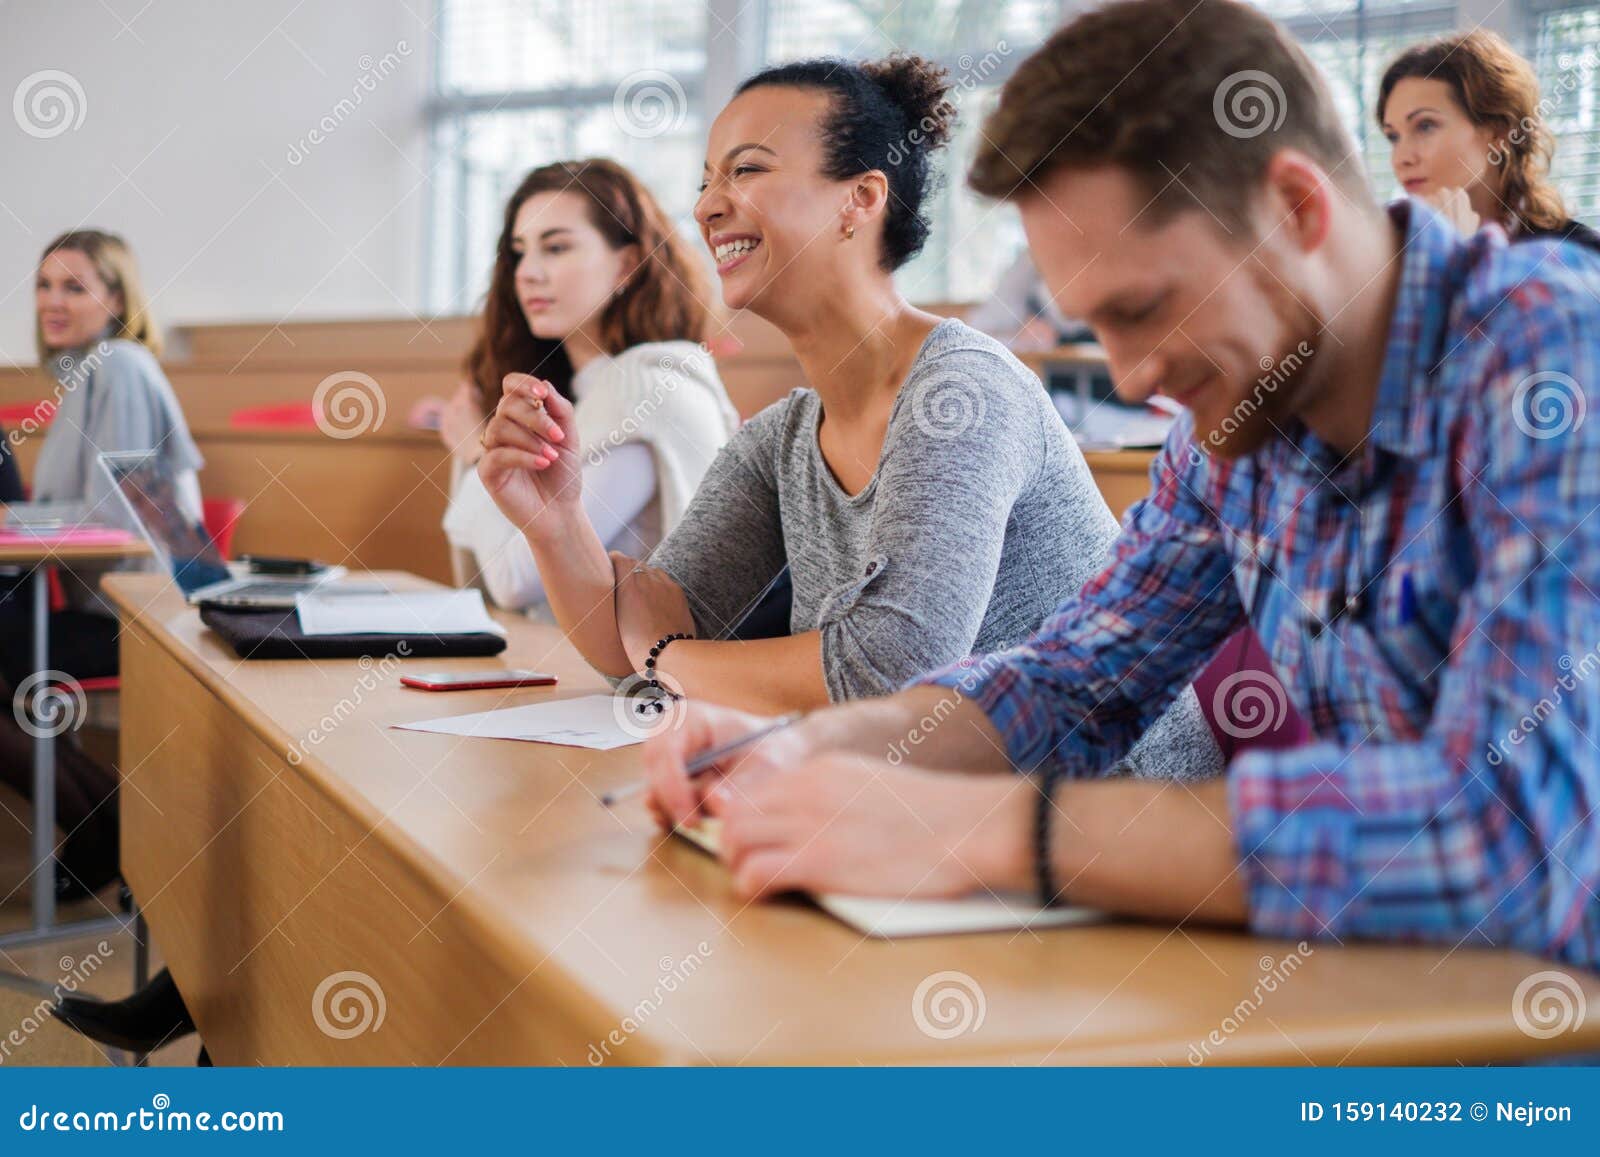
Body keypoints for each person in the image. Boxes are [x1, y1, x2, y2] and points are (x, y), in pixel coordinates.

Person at [639, 0, 1600, 970]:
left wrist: (988, 831)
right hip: (1417, 991)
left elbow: (1518, 835)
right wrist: (820, 747)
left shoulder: (1553, 359)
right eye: (1094, 322)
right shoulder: (1232, 428)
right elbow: (1070, 678)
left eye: (1143, 307)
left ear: (1298, 211)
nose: (1134, 376)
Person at [478, 52, 1220, 777]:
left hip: (1120, 827)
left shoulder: (962, 392)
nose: (706, 205)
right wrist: (558, 523)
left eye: (747, 169)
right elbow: (629, 643)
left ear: (860, 200)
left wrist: (666, 657)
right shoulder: (784, 439)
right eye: (706, 181)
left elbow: (888, 668)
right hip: (944, 819)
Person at [434, 159, 738, 617]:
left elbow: (515, 581)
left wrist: (477, 453)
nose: (527, 272)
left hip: (633, 683)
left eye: (555, 248)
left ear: (626, 264)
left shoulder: (647, 389)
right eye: (519, 251)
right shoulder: (588, 390)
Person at [0, 229, 201, 899]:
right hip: (103, 609)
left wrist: (11, 523)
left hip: (149, 618)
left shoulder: (118, 366)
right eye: (43, 284)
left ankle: (107, 825)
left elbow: (120, 521)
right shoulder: (86, 374)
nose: (52, 301)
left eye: (75, 286)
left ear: (117, 299)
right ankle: (106, 821)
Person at [1379, 30, 1600, 250]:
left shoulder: (1580, 255)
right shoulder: (1383, 253)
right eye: (1393, 136)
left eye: (1425, 126)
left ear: (1498, 131)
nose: (1401, 158)